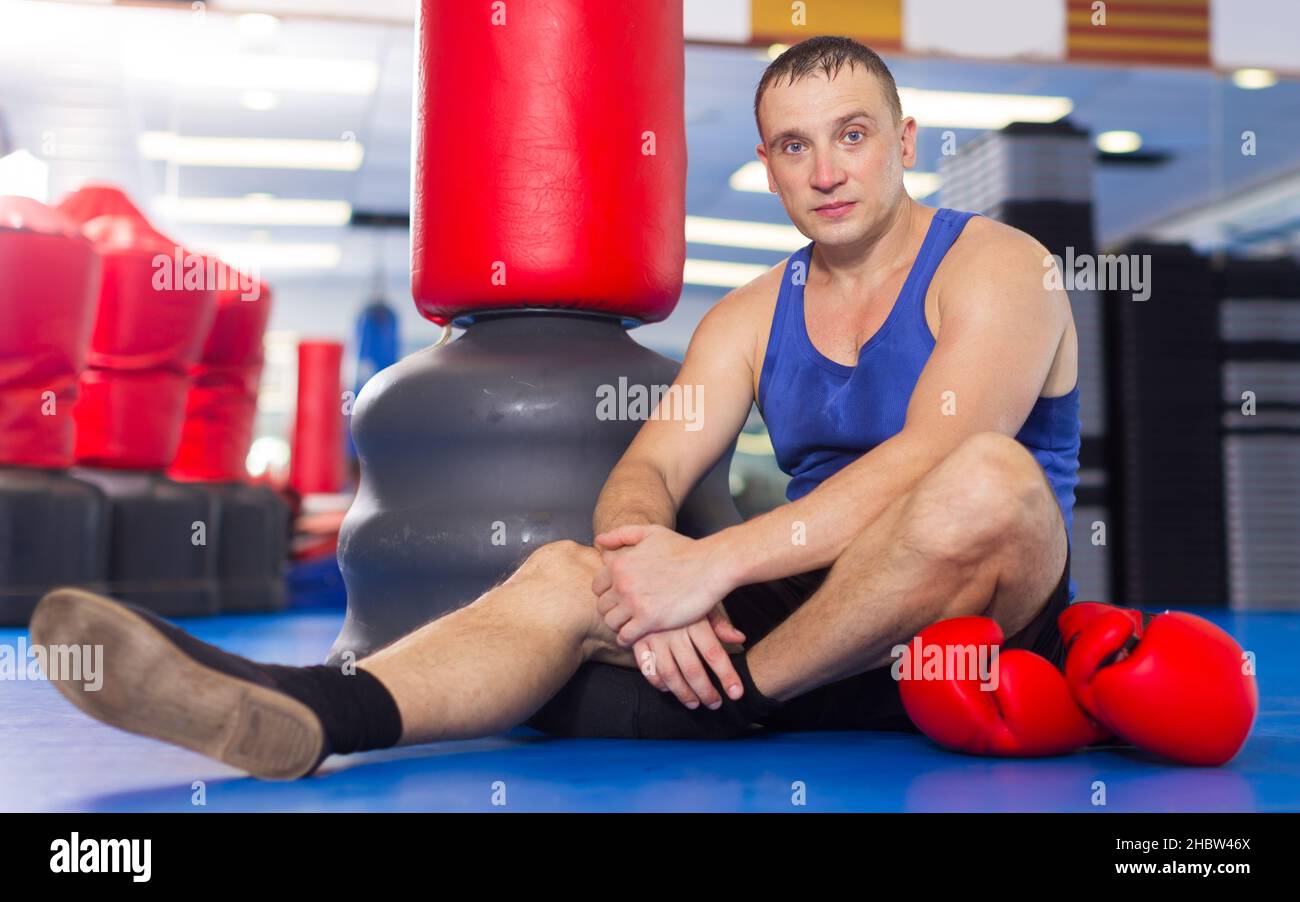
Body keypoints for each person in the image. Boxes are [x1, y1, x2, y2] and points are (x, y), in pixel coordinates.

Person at [32, 36, 1080, 780]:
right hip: (820, 608)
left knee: (988, 478)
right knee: (560, 569)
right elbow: (654, 466)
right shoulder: (756, 311)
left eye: (850, 135)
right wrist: (642, 557)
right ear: (765, 168)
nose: (826, 169)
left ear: (904, 137)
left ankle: (741, 699)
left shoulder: (1000, 267)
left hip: (965, 624)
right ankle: (316, 706)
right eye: (794, 147)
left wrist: (713, 563)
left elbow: (941, 451)